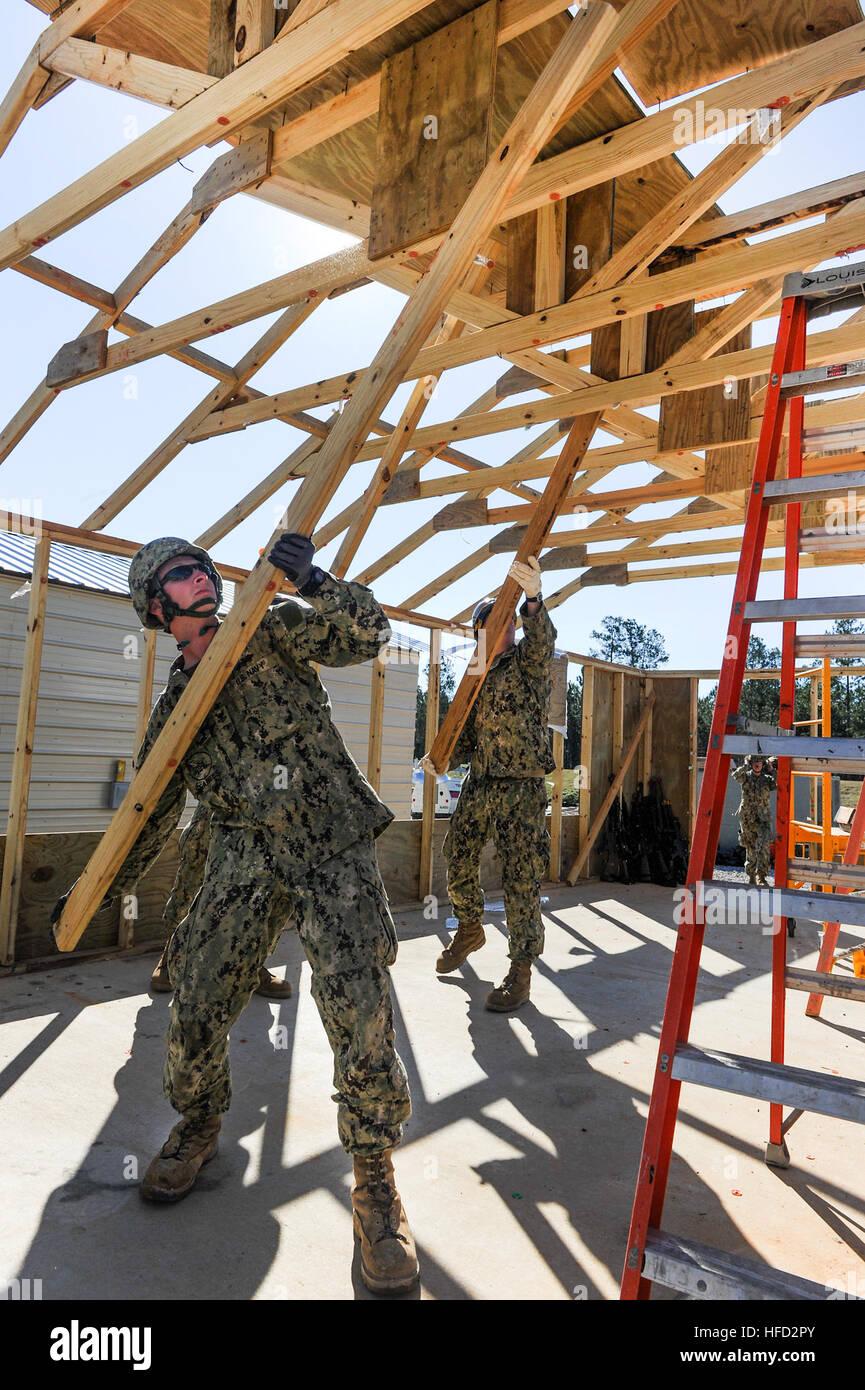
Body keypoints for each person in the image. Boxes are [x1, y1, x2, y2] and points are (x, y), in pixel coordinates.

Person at [53, 535, 416, 1294]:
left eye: (203, 568)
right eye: (182, 575)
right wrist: (89, 890)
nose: (202, 578)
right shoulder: (175, 709)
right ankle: (199, 1125)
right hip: (244, 855)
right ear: (157, 607)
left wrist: (311, 578)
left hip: (330, 839)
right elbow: (145, 814)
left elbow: (366, 630)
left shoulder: (272, 631)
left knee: (358, 1005)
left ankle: (375, 1184)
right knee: (196, 999)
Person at [421, 556, 555, 1012]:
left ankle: (520, 971)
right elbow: (465, 734)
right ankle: (471, 928)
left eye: (511, 622)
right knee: (455, 854)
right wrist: (440, 760)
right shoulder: (475, 676)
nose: (510, 631)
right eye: (499, 624)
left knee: (521, 878)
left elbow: (542, 640)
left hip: (521, 786)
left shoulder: (528, 664)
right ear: (481, 630)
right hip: (480, 782)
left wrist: (534, 601)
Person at [149, 804, 292, 1000]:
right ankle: (171, 956)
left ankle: (251, 964)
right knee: (195, 866)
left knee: (265, 884)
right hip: (220, 795)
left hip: (268, 801)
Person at [732, 753, 777, 886]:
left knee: (764, 847)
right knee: (750, 847)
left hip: (763, 818)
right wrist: (745, 766)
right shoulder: (745, 777)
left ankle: (762, 877)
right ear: (751, 764)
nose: (757, 764)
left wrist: (772, 770)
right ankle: (751, 876)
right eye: (755, 762)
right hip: (747, 817)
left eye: (760, 762)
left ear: (763, 765)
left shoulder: (767, 779)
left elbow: (780, 783)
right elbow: (735, 776)